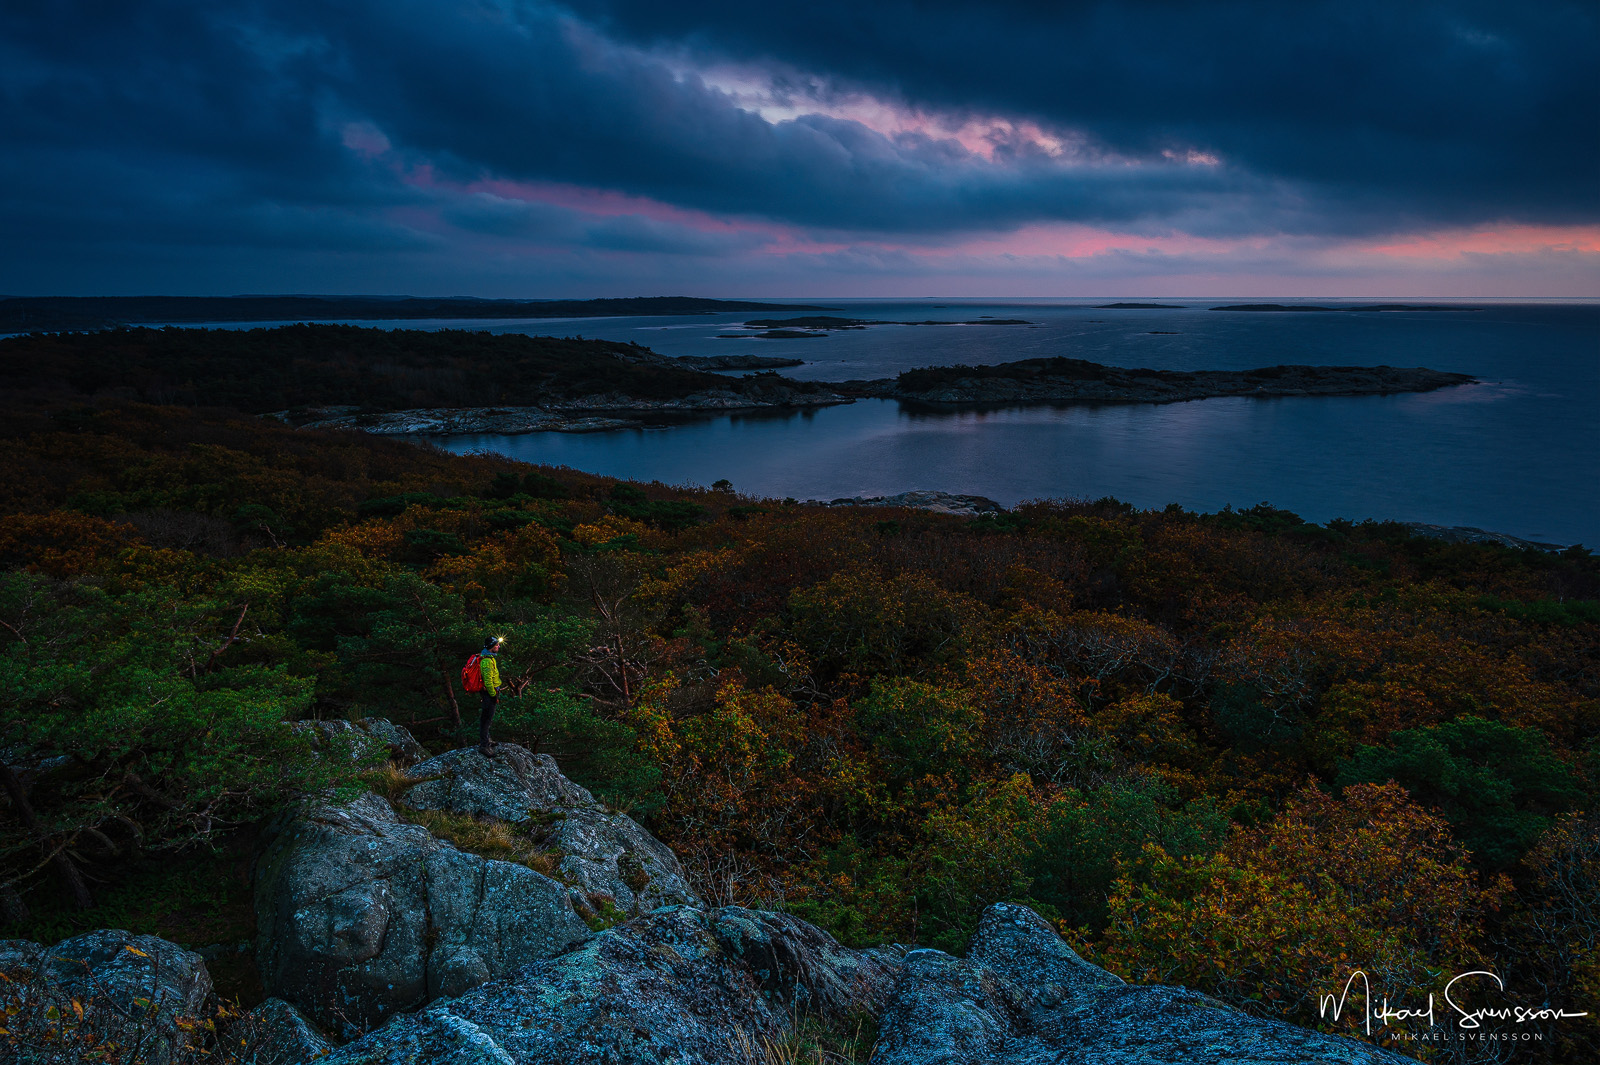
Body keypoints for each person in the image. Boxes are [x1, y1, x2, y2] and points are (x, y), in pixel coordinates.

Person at [477, 635, 504, 756]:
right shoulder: (487, 661)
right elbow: (488, 681)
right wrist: (493, 695)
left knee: (488, 717)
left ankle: (487, 739)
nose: (498, 647)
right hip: (489, 693)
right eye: (496, 645)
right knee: (486, 717)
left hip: (491, 692)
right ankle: (484, 745)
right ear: (491, 647)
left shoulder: (490, 658)